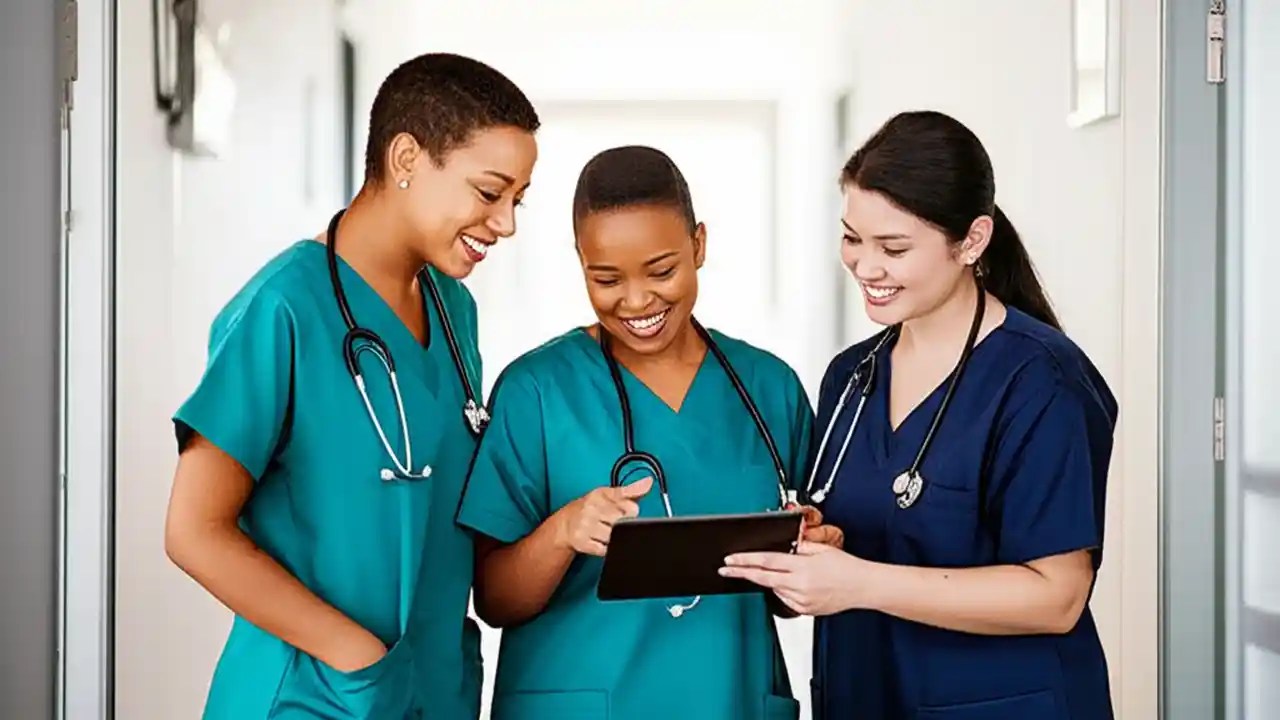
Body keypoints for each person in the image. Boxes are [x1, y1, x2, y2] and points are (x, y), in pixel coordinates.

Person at [163, 53, 539, 719]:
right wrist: (356, 657)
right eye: (489, 193)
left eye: (517, 200)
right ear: (405, 159)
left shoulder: (455, 311)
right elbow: (194, 531)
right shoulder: (284, 309)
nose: (507, 223)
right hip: (313, 697)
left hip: (427, 693)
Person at [720, 110, 1118, 719]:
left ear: (972, 241)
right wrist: (815, 539)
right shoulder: (852, 377)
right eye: (852, 238)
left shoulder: (1040, 381)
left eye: (894, 247)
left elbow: (1057, 595)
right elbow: (877, 525)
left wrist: (858, 581)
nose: (865, 266)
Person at [455, 145, 836, 720]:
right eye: (605, 278)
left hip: (729, 700)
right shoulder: (536, 391)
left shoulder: (768, 389)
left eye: (661, 271)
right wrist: (563, 532)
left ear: (699, 246)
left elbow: (788, 601)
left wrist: (810, 551)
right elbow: (495, 599)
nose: (636, 301)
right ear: (580, 262)